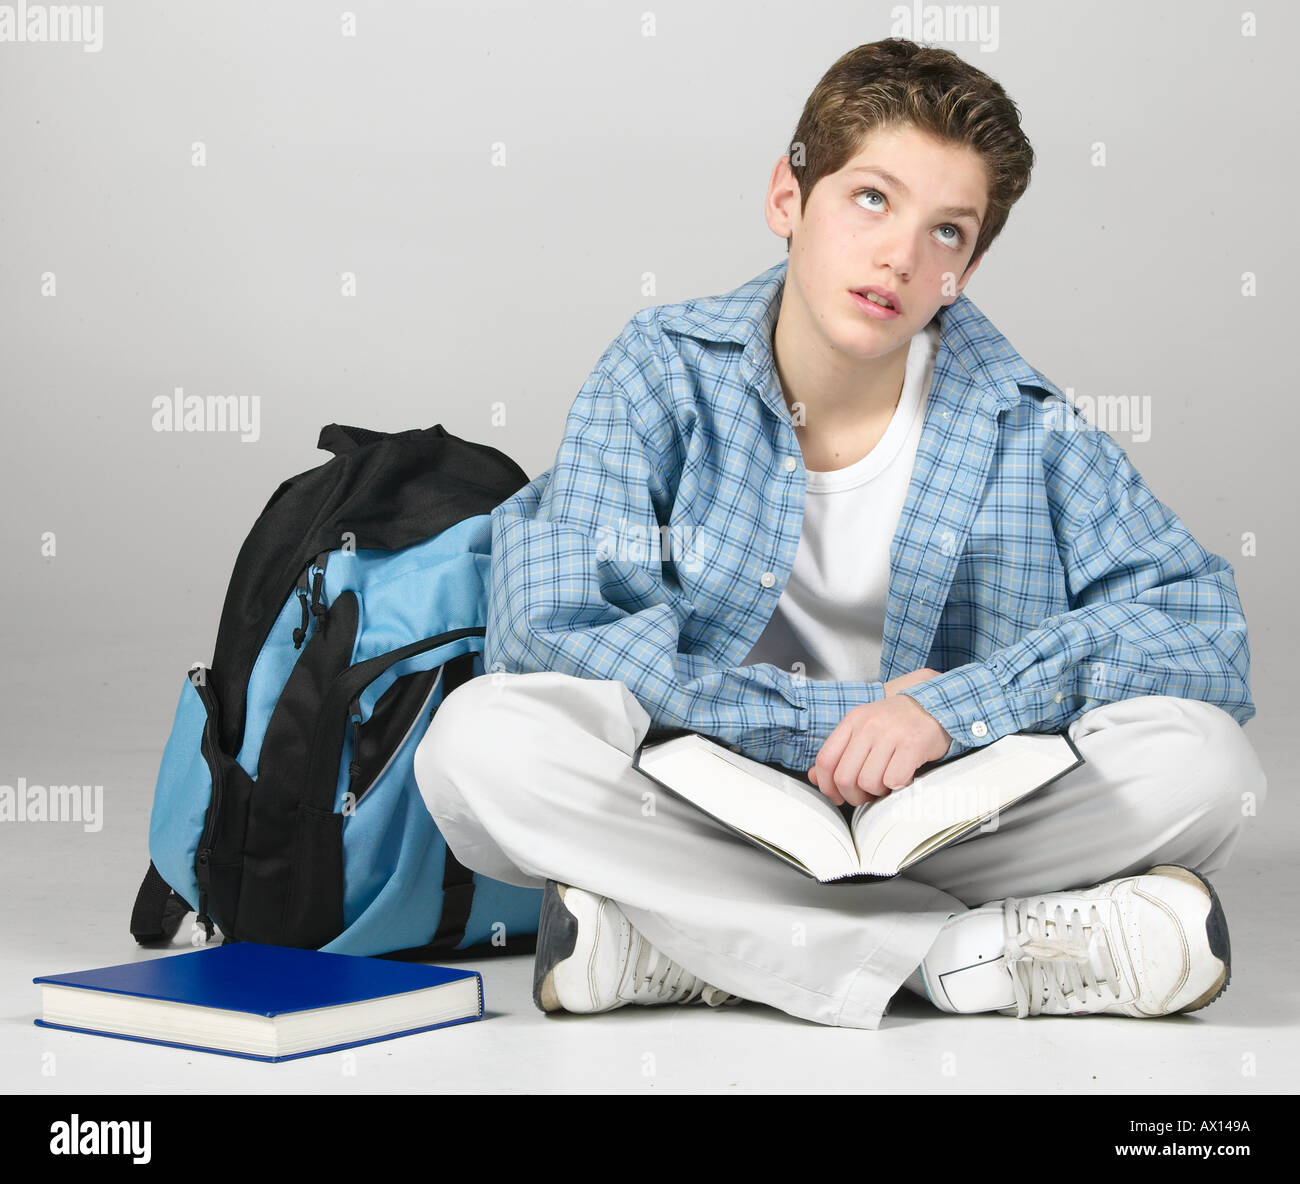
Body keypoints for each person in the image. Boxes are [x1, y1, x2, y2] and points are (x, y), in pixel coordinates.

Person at [412, 38, 1267, 1027]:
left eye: (947, 231)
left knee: (1203, 764)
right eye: (871, 198)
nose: (901, 255)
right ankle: (955, 955)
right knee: (478, 745)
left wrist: (954, 709)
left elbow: (1202, 627)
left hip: (939, 807)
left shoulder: (1026, 422)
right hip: (710, 791)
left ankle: (688, 937)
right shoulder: (661, 368)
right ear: (789, 196)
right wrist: (833, 723)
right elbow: (552, 622)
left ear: (969, 265)